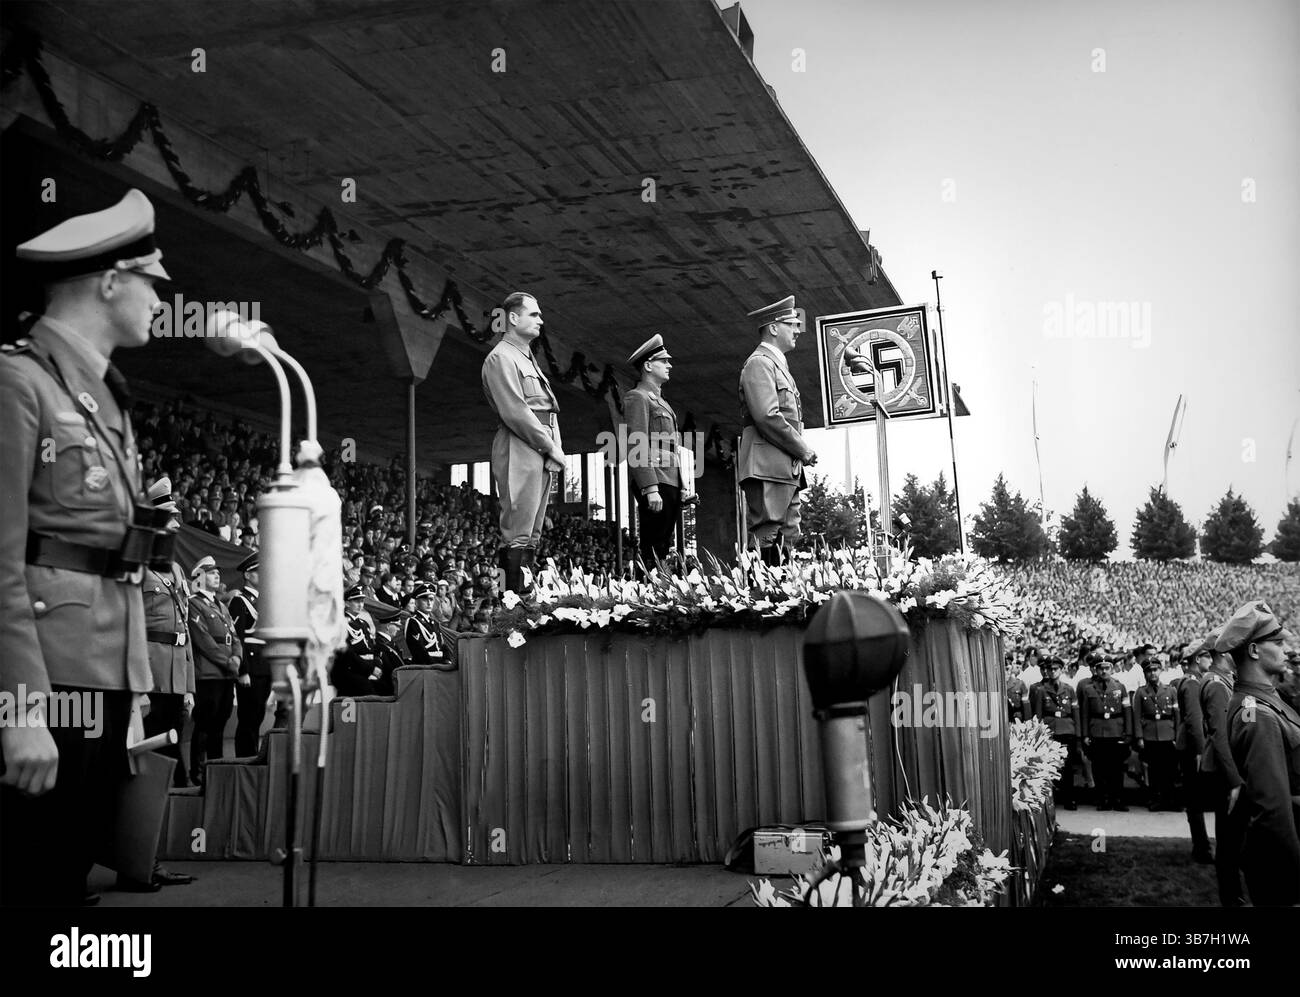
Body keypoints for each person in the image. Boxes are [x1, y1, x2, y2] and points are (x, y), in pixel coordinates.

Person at [0, 189, 169, 907]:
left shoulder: (104, 396)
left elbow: (104, 552)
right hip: (49, 679)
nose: (162, 301)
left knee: (68, 878)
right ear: (109, 281)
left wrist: (133, 690)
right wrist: (20, 710)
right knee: (35, 880)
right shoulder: (17, 383)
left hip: (103, 677)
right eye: (153, 283)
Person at [480, 291, 564, 594]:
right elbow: (515, 410)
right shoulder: (501, 357)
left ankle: (526, 603)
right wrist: (550, 446)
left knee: (532, 534)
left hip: (538, 444)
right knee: (518, 532)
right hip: (521, 444)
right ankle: (511, 608)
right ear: (513, 319)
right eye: (534, 314)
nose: (541, 319)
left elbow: (549, 409)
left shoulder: (526, 356)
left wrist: (555, 447)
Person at [1220, 602, 1300, 907]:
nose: (1286, 650)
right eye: (1277, 643)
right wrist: (1295, 880)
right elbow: (1273, 811)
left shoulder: (1264, 702)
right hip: (1281, 868)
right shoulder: (1259, 714)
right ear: (1254, 651)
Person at [737, 295, 816, 564]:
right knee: (767, 536)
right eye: (792, 324)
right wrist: (802, 449)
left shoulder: (776, 364)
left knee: (787, 536)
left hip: (782, 465)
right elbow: (767, 416)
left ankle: (782, 603)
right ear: (773, 328)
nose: (797, 330)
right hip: (767, 464)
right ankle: (760, 602)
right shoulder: (759, 363)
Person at [140, 478, 195, 790]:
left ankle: (175, 794)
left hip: (175, 670)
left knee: (173, 732)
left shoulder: (175, 569)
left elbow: (183, 627)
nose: (177, 525)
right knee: (152, 740)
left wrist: (188, 686)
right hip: (150, 669)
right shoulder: (139, 565)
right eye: (171, 519)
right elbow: (131, 624)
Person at [623, 334, 684, 571]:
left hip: (667, 480)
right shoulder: (637, 397)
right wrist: (650, 488)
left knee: (663, 545)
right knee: (653, 547)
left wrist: (681, 486)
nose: (669, 365)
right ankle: (647, 598)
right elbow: (636, 443)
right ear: (648, 366)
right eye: (664, 361)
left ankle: (659, 594)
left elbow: (670, 448)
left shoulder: (660, 401)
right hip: (655, 480)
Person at [1198, 627, 1246, 907]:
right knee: (1229, 841)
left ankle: (1233, 893)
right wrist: (1235, 780)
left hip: (1221, 769)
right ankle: (1231, 896)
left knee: (1233, 838)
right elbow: (1219, 735)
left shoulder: (1221, 680)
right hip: (1222, 772)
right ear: (1224, 653)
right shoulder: (1217, 684)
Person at [187, 555, 242, 786]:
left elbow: (234, 636)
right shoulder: (194, 603)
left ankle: (215, 768)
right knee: (204, 725)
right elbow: (203, 640)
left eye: (217, 572)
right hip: (209, 674)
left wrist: (237, 656)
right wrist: (228, 661)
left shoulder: (220, 605)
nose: (217, 575)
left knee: (220, 723)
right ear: (199, 577)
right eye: (210, 572)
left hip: (226, 675)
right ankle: (198, 772)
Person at [228, 552, 270, 756]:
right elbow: (238, 639)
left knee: (259, 715)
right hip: (251, 667)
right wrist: (242, 670)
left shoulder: (265, 601)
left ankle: (252, 754)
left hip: (264, 666)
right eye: (258, 572)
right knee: (248, 717)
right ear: (247, 575)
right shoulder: (240, 601)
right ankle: (245, 757)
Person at [1079, 654, 1132, 810]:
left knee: (1116, 768)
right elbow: (1085, 714)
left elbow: (1127, 711)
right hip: (1097, 732)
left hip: (1116, 730)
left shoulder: (1120, 687)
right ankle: (1102, 800)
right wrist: (1085, 735)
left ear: (1112, 669)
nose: (1104, 671)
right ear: (1095, 670)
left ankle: (1118, 800)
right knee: (1099, 768)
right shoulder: (1088, 689)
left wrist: (1128, 733)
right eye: (1100, 668)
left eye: (1107, 668)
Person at [1175, 644, 1212, 862]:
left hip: (1191, 745)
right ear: (1197, 659)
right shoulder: (1191, 683)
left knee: (1195, 798)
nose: (1210, 660)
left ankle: (1202, 846)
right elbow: (1194, 721)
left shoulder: (1193, 681)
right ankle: (1201, 848)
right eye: (1207, 656)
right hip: (1192, 747)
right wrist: (1200, 750)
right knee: (1195, 799)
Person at [1030, 656, 1080, 810]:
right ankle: (1052, 799)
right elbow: (1038, 715)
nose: (1052, 672)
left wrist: (1077, 734)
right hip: (1050, 731)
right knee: (1049, 767)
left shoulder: (1069, 689)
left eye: (1055, 669)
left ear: (1061, 670)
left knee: (1068, 766)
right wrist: (1038, 735)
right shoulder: (1041, 690)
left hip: (1067, 730)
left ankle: (1069, 798)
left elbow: (1075, 713)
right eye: (1050, 669)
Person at [1132, 659, 1179, 811]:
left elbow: (1177, 715)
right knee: (1154, 770)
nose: (1152, 673)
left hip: (1168, 734)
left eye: (1155, 670)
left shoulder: (1170, 690)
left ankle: (1171, 800)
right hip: (1150, 735)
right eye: (1149, 671)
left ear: (1160, 671)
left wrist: (1177, 735)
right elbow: (1137, 716)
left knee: (1170, 769)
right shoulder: (1141, 692)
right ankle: (1156, 799)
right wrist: (1139, 737)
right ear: (1145, 673)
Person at [333, 585, 380, 697]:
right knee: (368, 693)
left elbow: (372, 648)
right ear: (347, 603)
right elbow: (348, 654)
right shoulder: (342, 623)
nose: (360, 605)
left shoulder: (363, 623)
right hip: (351, 672)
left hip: (367, 671)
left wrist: (377, 665)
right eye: (356, 601)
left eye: (362, 601)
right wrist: (370, 669)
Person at [371, 605, 409, 697]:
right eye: (396, 626)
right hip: (387, 692)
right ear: (388, 626)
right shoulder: (379, 644)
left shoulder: (390, 643)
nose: (399, 629)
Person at [404, 585, 446, 665]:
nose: (429, 603)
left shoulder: (435, 623)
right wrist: (434, 665)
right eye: (424, 599)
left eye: (431, 599)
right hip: (425, 667)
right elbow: (418, 650)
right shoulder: (413, 622)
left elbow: (443, 646)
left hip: (439, 666)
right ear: (416, 602)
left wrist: (447, 661)